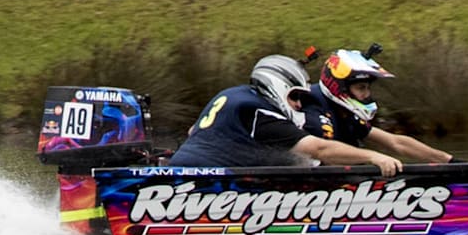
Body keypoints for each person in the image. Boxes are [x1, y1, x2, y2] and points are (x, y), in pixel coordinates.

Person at [168, 54, 402, 176]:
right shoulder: (260, 113)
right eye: (295, 97)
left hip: (182, 170)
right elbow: (318, 149)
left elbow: (193, 131)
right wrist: (373, 157)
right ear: (277, 85)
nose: (300, 105)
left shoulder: (232, 94)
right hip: (203, 184)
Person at [302, 47, 457, 164]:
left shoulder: (343, 111)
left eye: (368, 88)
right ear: (340, 87)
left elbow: (396, 142)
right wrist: (375, 157)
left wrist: (449, 161)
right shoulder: (313, 108)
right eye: (361, 88)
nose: (366, 95)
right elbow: (323, 152)